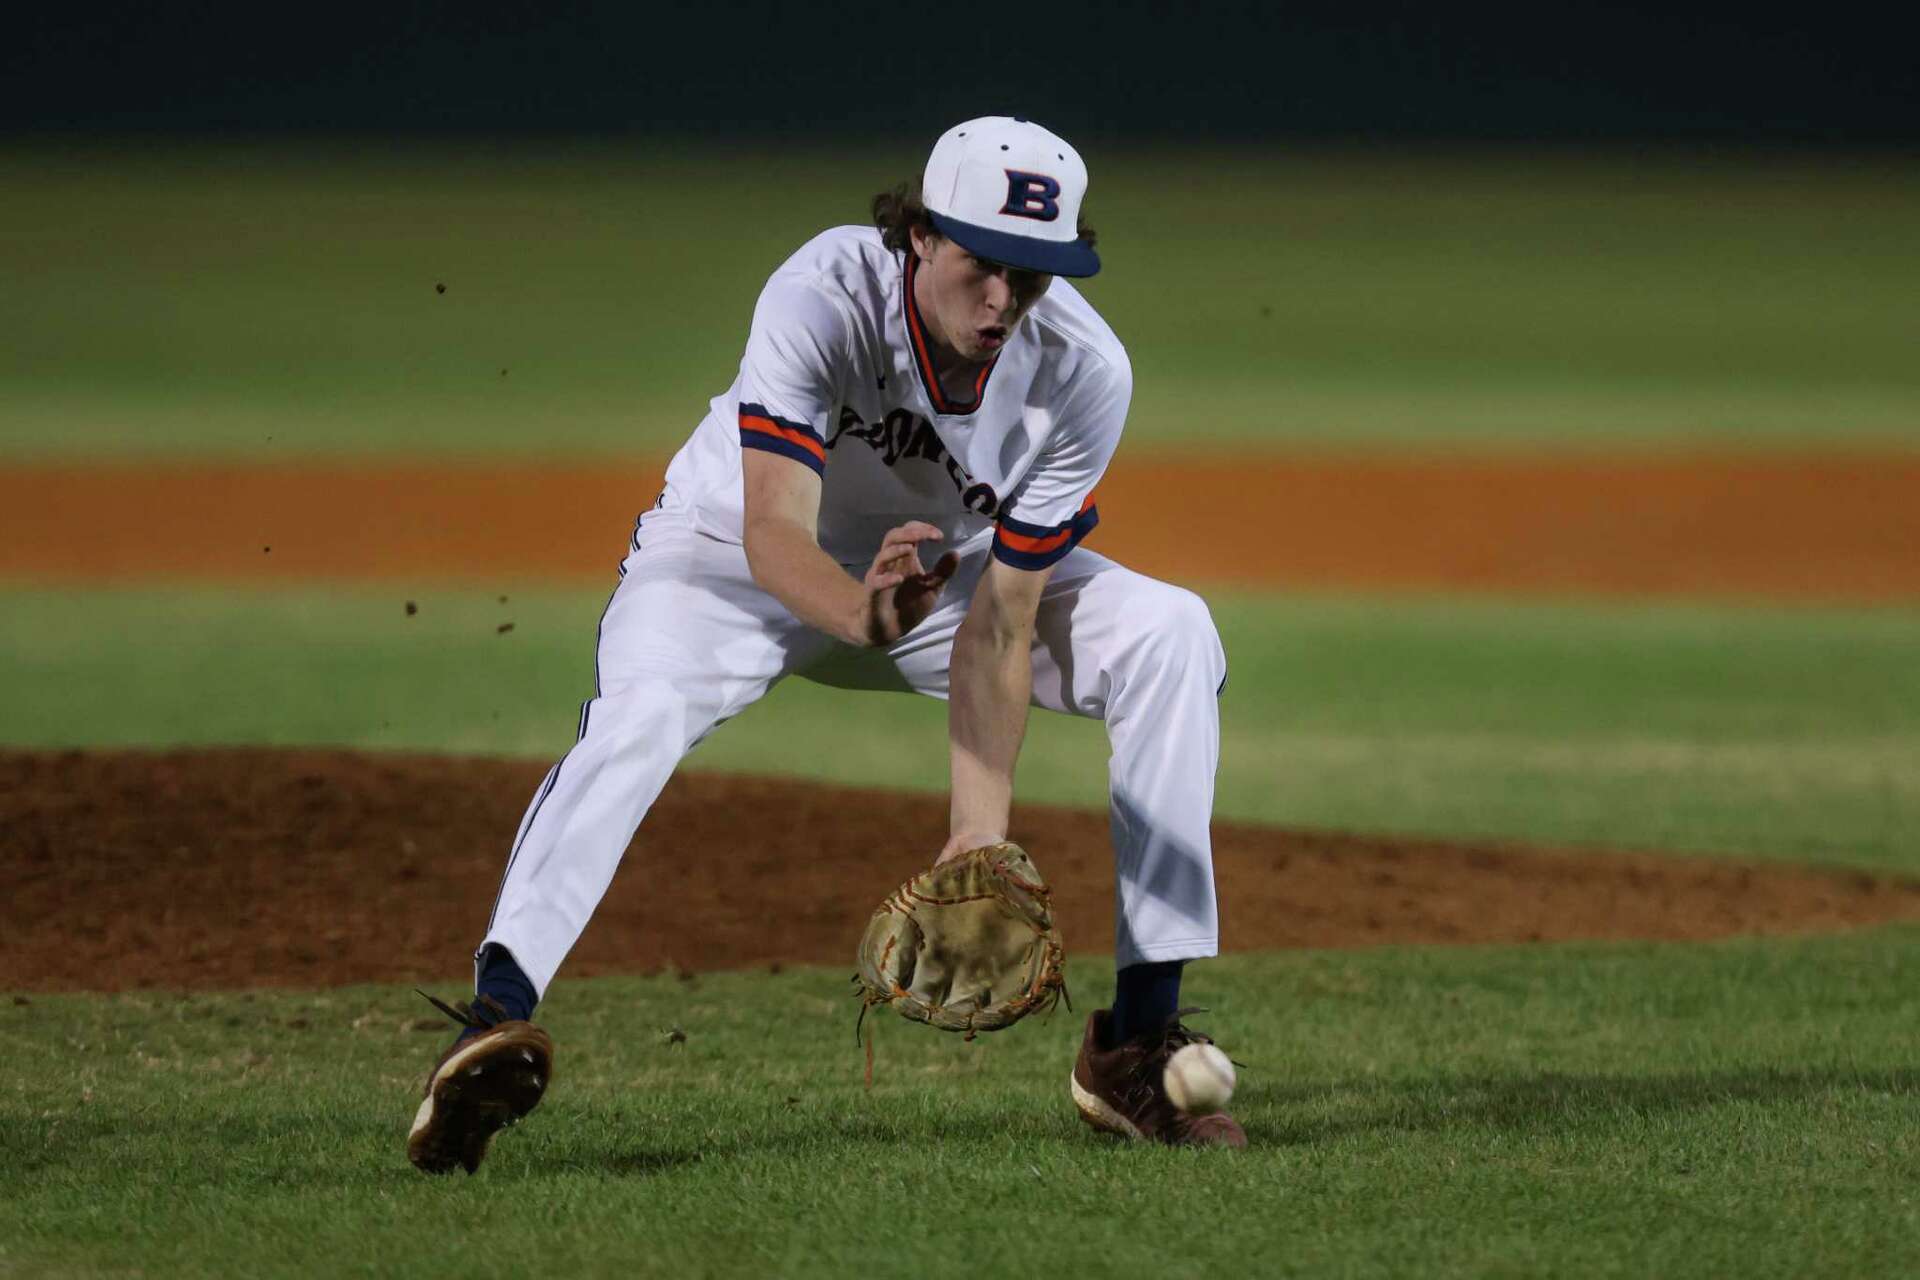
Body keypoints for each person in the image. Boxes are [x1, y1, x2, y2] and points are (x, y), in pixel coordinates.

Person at [407, 116, 1245, 1175]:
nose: (1004, 301)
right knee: (644, 713)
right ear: (922, 237)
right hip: (727, 560)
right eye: (984, 265)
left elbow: (1003, 619)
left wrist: (974, 838)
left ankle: (1137, 1038)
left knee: (1172, 627)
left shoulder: (1082, 369)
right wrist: (858, 612)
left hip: (945, 586)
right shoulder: (826, 293)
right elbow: (771, 530)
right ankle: (492, 1013)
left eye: (1032, 277)